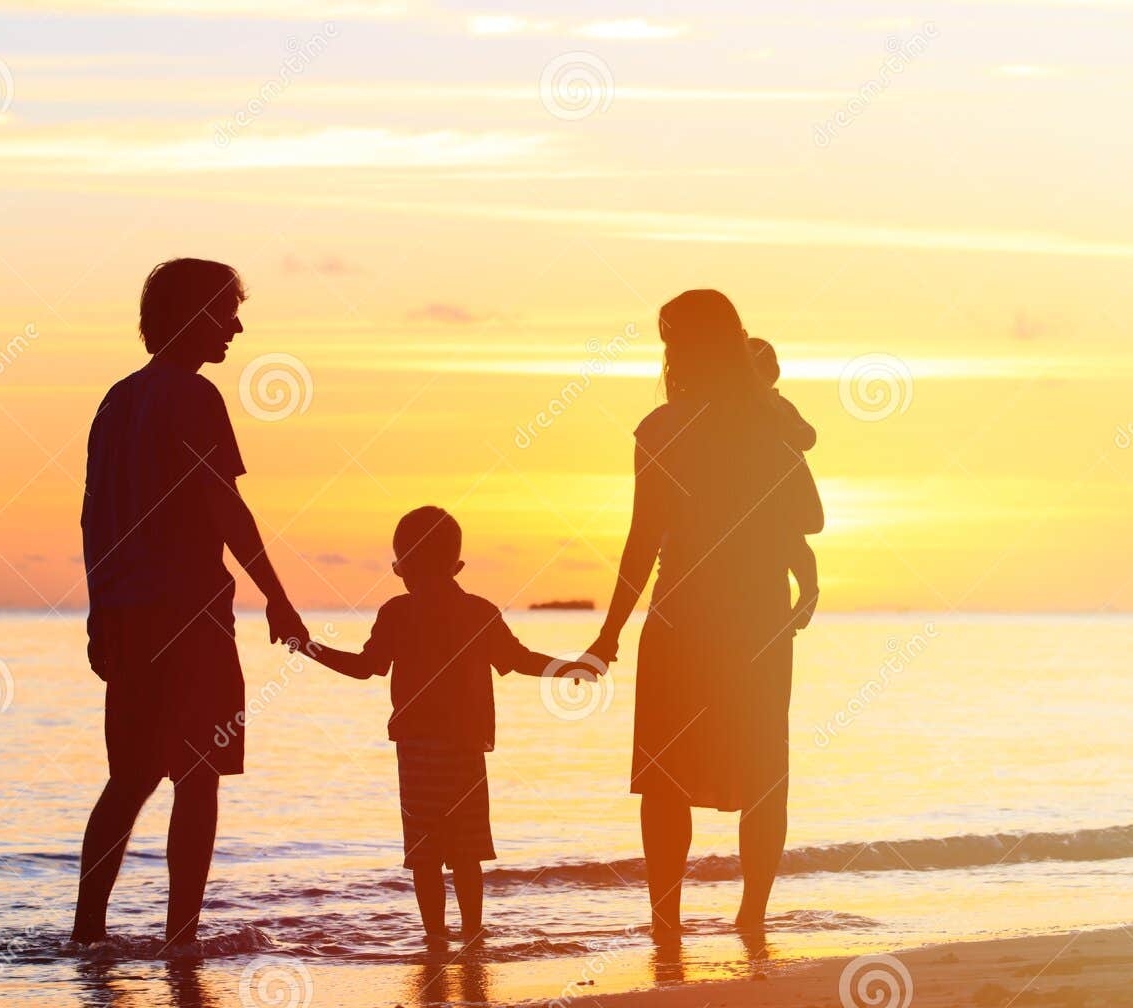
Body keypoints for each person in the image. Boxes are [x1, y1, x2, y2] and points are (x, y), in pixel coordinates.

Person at [73, 258, 306, 949]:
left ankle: (86, 933)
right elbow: (224, 506)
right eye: (225, 312)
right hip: (191, 618)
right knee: (197, 777)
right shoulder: (194, 398)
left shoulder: (116, 401)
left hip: (128, 616)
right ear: (190, 315)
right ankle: (181, 937)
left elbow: (94, 519)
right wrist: (280, 599)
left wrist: (99, 611)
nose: (236, 326)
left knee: (130, 779)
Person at [585, 291, 824, 938]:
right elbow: (807, 518)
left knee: (665, 777)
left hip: (684, 615)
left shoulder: (661, 430)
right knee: (763, 766)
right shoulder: (768, 424)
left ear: (687, 349)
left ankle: (666, 922)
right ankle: (751, 917)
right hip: (756, 613)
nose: (666, 353)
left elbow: (643, 539)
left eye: (671, 341)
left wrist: (608, 634)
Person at [300, 506, 589, 946]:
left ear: (404, 566)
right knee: (467, 852)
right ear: (456, 565)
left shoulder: (397, 612)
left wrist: (307, 647)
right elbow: (520, 659)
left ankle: (436, 937)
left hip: (417, 754)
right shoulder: (478, 612)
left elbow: (365, 668)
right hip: (466, 750)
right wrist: (570, 667)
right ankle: (472, 934)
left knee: (425, 854)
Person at [748, 337, 820, 630]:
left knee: (798, 549)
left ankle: (809, 593)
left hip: (788, 494)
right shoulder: (735, 409)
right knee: (789, 545)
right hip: (764, 500)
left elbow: (809, 435)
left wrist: (786, 427)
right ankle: (807, 594)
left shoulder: (781, 406)